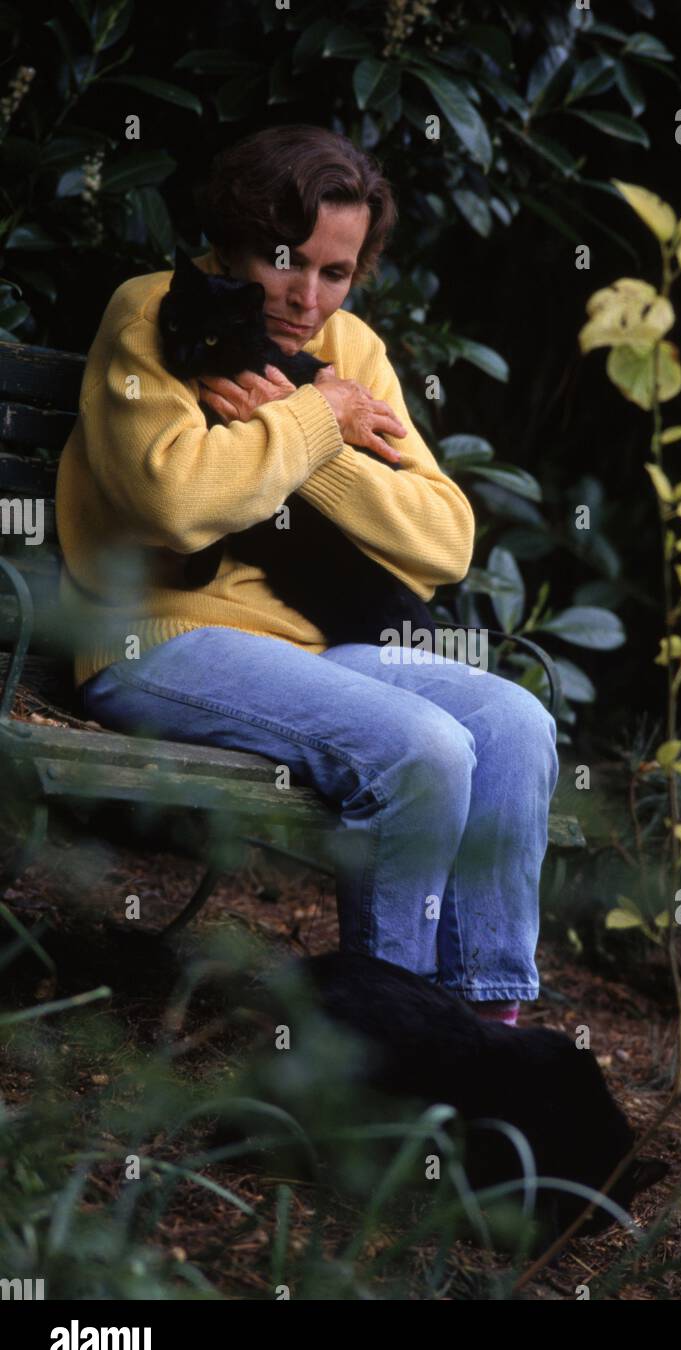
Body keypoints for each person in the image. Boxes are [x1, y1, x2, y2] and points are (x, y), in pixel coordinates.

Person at [56, 124, 559, 1024]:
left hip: (316, 651)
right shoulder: (156, 313)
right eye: (285, 261)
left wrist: (305, 427)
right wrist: (319, 420)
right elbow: (175, 501)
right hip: (157, 640)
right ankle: (384, 1033)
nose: (307, 298)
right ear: (234, 240)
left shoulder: (350, 350)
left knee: (515, 723)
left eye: (337, 273)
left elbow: (444, 539)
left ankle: (485, 1029)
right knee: (423, 747)